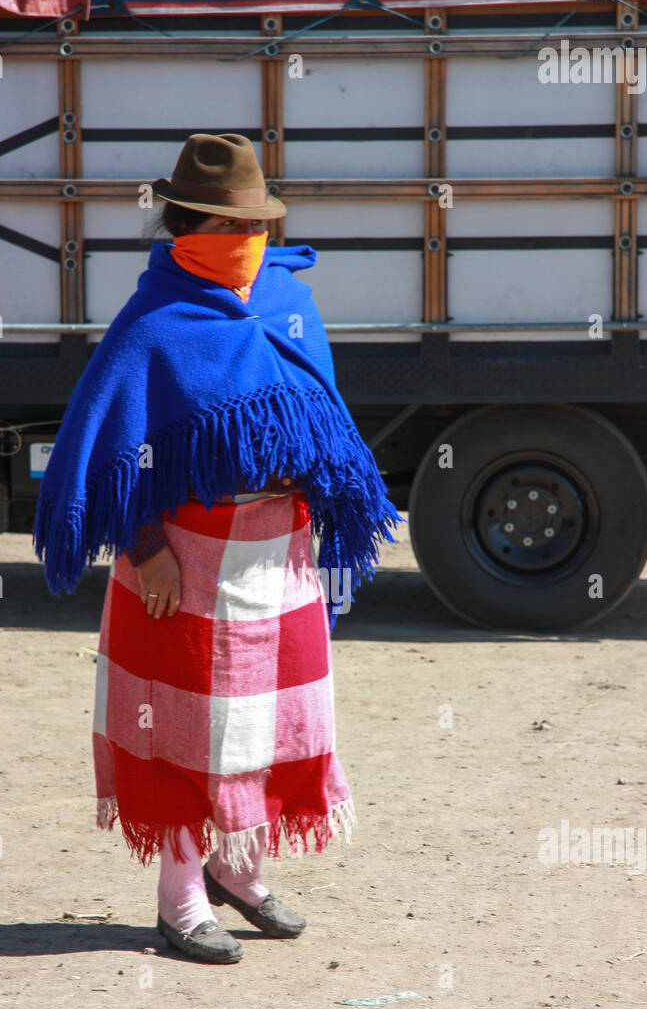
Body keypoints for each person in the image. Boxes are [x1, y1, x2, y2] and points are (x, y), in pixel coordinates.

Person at [33, 133, 400, 963]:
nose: (248, 239)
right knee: (188, 733)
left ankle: (239, 868)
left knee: (268, 727)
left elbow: (324, 418)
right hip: (187, 559)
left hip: (281, 553)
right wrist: (144, 544)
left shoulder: (284, 302)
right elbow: (113, 448)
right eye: (231, 224)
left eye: (258, 223)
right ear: (186, 223)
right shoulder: (155, 322)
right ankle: (179, 895)